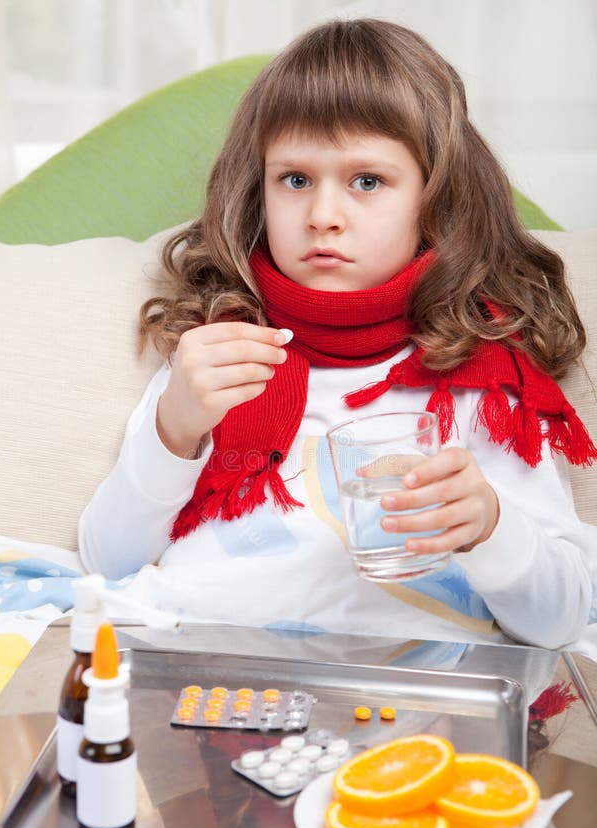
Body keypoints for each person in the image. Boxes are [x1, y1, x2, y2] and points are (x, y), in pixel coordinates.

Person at [79, 18, 596, 650]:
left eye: (367, 182)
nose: (323, 216)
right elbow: (108, 562)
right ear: (259, 191)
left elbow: (564, 618)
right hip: (202, 680)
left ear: (435, 199)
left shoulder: (482, 383)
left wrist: (490, 525)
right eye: (294, 180)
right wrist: (173, 430)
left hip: (399, 705)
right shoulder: (220, 351)